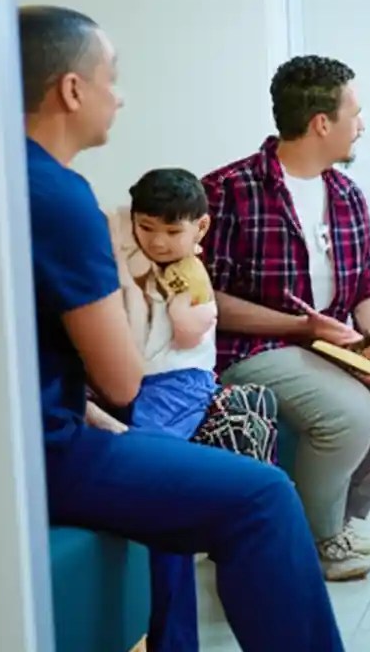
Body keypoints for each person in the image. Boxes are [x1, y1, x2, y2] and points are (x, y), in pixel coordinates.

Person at [20, 5, 343, 651]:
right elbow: (121, 379)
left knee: (174, 486)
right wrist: (120, 276)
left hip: (37, 431)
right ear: (72, 89)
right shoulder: (58, 197)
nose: (120, 95)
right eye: (111, 77)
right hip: (40, 455)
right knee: (263, 495)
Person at [203, 54, 370, 581]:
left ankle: (338, 516)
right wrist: (301, 328)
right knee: (352, 412)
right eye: (355, 113)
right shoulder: (228, 191)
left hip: (330, 340)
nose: (362, 125)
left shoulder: (345, 195)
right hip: (255, 350)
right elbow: (207, 299)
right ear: (321, 124)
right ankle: (316, 539)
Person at [98, 167, 280, 650]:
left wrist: (135, 275)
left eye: (172, 231)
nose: (157, 242)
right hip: (139, 381)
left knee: (152, 483)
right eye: (146, 227)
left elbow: (185, 331)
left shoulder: (191, 275)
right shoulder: (144, 262)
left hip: (179, 384)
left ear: (200, 228)